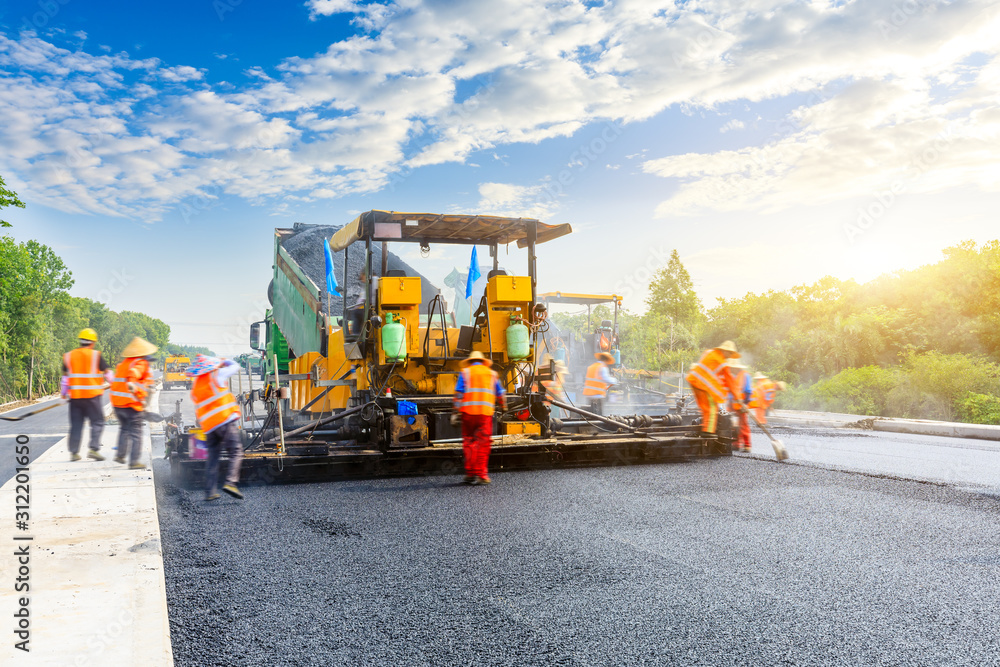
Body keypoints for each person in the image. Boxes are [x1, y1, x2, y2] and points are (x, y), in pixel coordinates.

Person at [186, 354, 244, 501]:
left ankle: (210, 492)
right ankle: (231, 483)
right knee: (236, 451)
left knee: (213, 458)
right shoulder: (216, 375)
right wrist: (224, 361)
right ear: (210, 366)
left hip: (209, 427)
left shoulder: (197, 385)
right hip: (224, 421)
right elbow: (236, 366)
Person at [453, 351, 506, 485]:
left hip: (468, 414)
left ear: (470, 361)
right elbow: (500, 392)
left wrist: (455, 412)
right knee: (483, 444)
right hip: (484, 414)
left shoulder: (465, 372)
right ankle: (481, 474)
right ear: (483, 361)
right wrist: (504, 405)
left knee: (469, 442)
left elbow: (459, 394)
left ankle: (470, 473)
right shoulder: (491, 374)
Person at [62, 328, 112, 461]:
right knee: (97, 422)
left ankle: (74, 453)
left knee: (76, 425)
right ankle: (93, 449)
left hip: (75, 398)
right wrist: (115, 384)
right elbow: (107, 373)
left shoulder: (69, 356)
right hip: (92, 397)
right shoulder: (96, 355)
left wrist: (63, 394)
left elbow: (65, 379)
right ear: (93, 342)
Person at [109, 337, 157, 469]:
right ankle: (134, 462)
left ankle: (120, 455)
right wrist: (131, 382)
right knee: (136, 433)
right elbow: (134, 373)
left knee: (124, 429)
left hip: (118, 405)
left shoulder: (123, 363)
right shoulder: (141, 363)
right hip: (131, 405)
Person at [685, 340, 743, 436]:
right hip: (703, 385)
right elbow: (730, 382)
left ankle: (705, 426)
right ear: (724, 350)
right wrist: (738, 398)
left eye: (731, 353)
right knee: (712, 409)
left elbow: (714, 375)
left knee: (705, 408)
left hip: (694, 381)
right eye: (729, 352)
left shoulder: (709, 352)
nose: (729, 355)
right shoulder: (721, 362)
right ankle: (708, 432)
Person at [727, 362, 753, 452]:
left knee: (743, 426)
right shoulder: (734, 376)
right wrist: (729, 404)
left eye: (732, 368)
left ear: (736, 368)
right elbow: (731, 392)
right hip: (733, 405)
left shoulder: (745, 376)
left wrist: (745, 404)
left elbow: (748, 391)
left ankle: (747, 445)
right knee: (733, 425)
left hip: (742, 406)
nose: (731, 369)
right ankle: (736, 444)